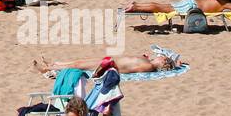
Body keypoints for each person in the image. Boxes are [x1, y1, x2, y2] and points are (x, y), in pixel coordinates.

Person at [33, 50, 179, 74]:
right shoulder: (147, 60)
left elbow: (130, 70)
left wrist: (112, 68)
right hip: (110, 60)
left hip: (110, 64)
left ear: (163, 64)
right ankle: (55, 64)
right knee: (80, 61)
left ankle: (46, 69)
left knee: (79, 66)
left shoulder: (148, 65)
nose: (160, 56)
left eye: (163, 58)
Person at [123, 0, 231, 16]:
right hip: (191, 7)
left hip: (191, 2)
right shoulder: (226, 3)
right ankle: (136, 6)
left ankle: (137, 4)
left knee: (161, 6)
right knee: (160, 8)